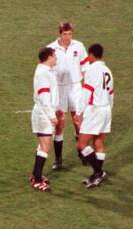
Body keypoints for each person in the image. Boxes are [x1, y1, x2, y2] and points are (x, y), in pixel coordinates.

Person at [48, 22, 87, 170]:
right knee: (60, 123)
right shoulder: (52, 48)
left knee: (78, 121)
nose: (67, 37)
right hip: (59, 89)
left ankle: (82, 153)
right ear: (60, 34)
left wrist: (86, 85)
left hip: (76, 87)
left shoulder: (79, 46)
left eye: (70, 34)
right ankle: (58, 159)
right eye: (65, 34)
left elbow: (85, 67)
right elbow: (48, 69)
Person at [78, 44, 114, 188]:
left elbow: (87, 92)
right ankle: (97, 175)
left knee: (81, 144)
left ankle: (98, 172)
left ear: (91, 54)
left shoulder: (92, 69)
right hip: (106, 109)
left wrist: (80, 112)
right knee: (98, 143)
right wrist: (108, 110)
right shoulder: (108, 71)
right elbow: (111, 94)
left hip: (96, 110)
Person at [30, 48, 57, 192]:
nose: (56, 58)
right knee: (46, 146)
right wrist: (52, 116)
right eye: (54, 56)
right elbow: (44, 97)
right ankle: (37, 179)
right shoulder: (43, 74)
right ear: (49, 57)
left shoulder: (44, 71)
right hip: (43, 114)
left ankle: (36, 175)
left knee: (43, 146)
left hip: (44, 113)